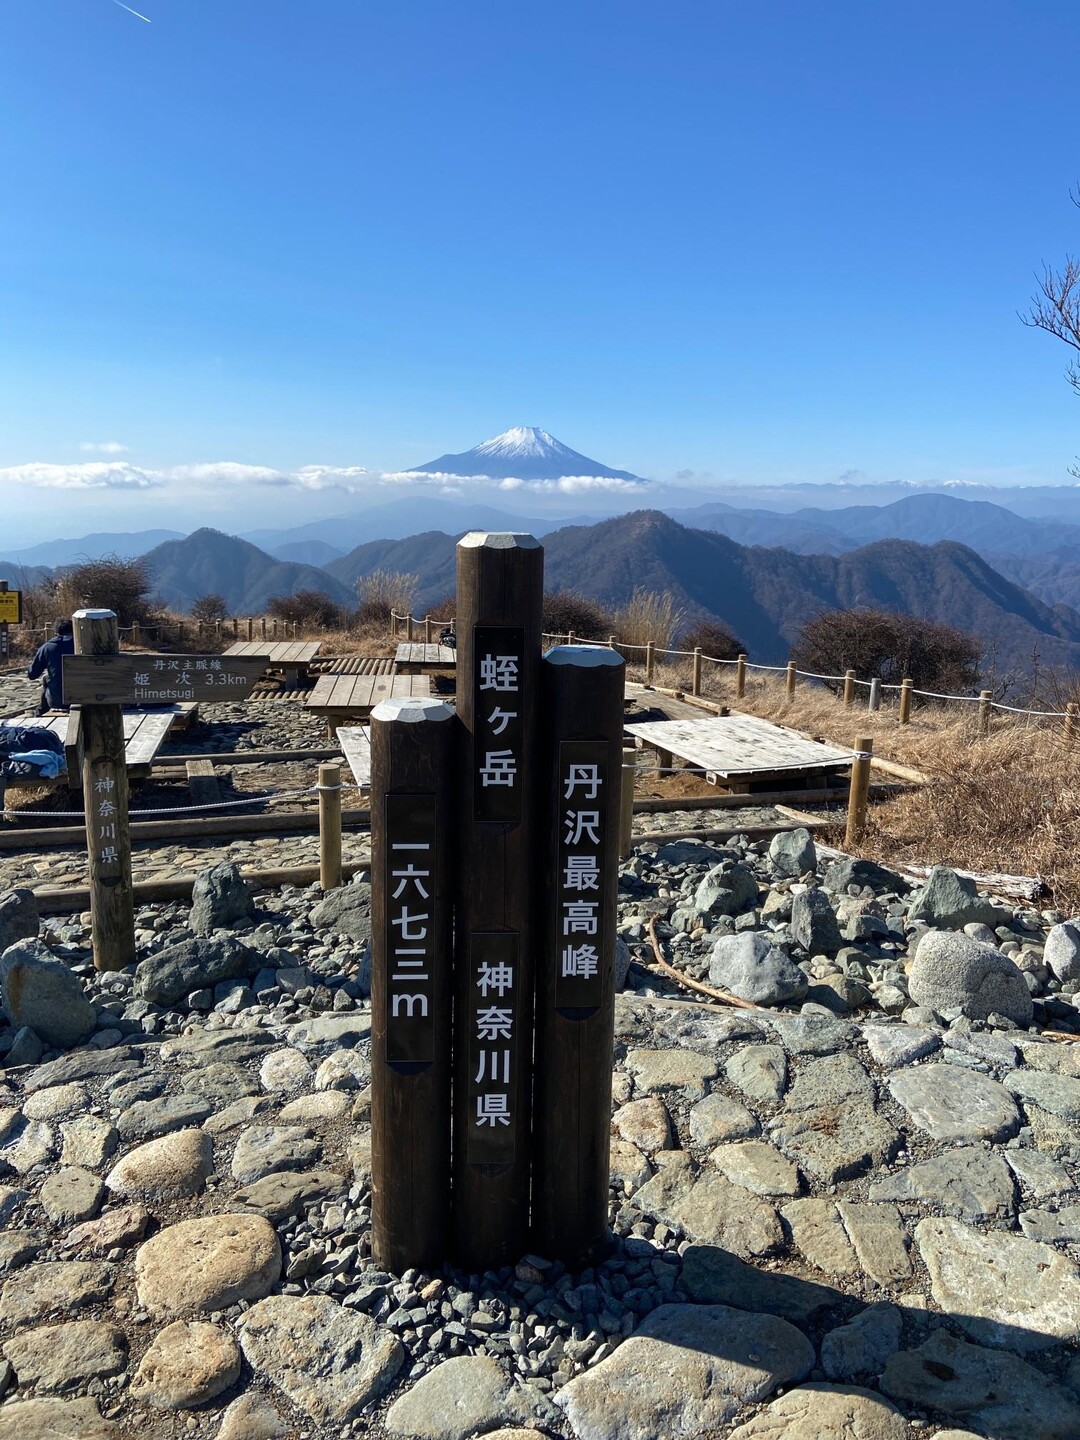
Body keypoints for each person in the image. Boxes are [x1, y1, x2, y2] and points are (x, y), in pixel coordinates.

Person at [27, 618, 75, 713]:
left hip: (57, 701)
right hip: (86, 698)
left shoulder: (47, 647)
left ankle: (41, 711)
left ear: (56, 632)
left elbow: (32, 674)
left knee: (47, 679)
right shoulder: (83, 647)